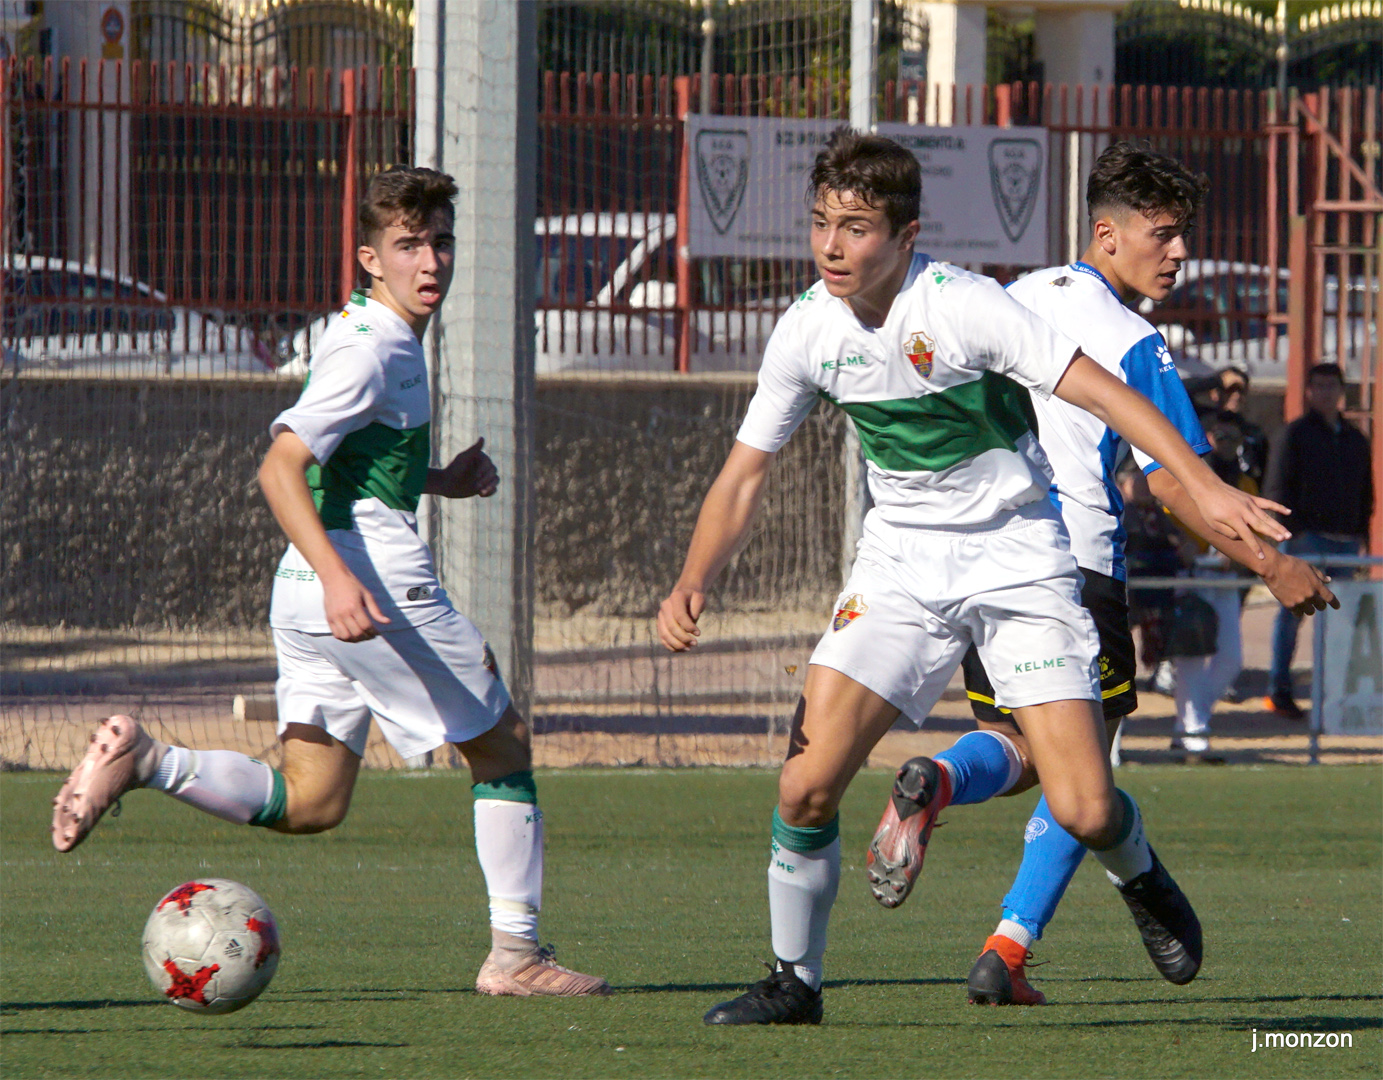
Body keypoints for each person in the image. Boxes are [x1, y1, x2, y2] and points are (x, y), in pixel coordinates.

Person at [657, 130, 1293, 1026]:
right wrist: (692, 579)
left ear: (905, 235)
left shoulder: (965, 307)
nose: (833, 246)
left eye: (856, 227)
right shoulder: (806, 327)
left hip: (1018, 558)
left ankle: (1136, 868)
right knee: (803, 786)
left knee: (1080, 802)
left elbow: (1105, 393)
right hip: (901, 565)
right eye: (820, 225)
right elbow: (745, 471)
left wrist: (1203, 485)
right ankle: (793, 982)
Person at [50, 166, 610, 999]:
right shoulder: (372, 344)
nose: (431, 262)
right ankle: (515, 956)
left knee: (313, 799)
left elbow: (352, 467)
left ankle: (150, 762)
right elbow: (281, 469)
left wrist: (440, 480)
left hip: (309, 589)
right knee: (502, 748)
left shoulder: (371, 330)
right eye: (409, 246)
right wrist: (342, 579)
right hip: (367, 581)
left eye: (441, 242)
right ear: (369, 257)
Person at [883, 144, 1339, 1007]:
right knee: (1083, 773)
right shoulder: (1133, 341)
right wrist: (1271, 564)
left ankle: (940, 786)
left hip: (990, 563)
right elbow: (1175, 485)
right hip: (1077, 571)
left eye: (1182, 237)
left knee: (1025, 749)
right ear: (1106, 234)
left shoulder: (1012, 297)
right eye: (1162, 236)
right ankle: (1009, 946)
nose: (1177, 255)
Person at [1263, 361, 1374, 718]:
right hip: (1306, 540)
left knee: (1341, 622)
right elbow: (1277, 487)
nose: (1325, 393)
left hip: (1344, 543)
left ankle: (1332, 693)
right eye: (1319, 386)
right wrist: (1287, 535)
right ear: (1309, 391)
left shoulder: (1356, 438)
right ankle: (1279, 690)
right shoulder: (1293, 434)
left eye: (1332, 386)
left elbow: (1365, 491)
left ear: (1341, 391)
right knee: (1293, 614)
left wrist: (1362, 535)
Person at [1212, 366, 1269, 485]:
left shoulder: (1254, 434)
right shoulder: (1204, 428)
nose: (1237, 396)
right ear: (1216, 393)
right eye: (1231, 390)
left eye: (1241, 391)